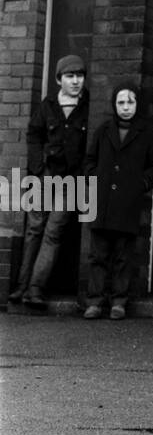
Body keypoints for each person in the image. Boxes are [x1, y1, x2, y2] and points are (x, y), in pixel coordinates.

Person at [10, 54, 91, 312]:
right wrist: (36, 167)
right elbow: (33, 135)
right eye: (69, 76)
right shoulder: (47, 106)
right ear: (59, 79)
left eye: (79, 76)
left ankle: (36, 289)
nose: (75, 81)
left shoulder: (88, 106)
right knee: (34, 228)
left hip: (72, 182)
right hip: (45, 178)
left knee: (53, 232)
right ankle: (21, 287)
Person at [82, 83, 153, 319]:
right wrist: (93, 177)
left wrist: (142, 183)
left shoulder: (147, 135)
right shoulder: (103, 131)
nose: (125, 107)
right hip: (102, 202)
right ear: (114, 105)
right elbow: (89, 160)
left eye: (130, 102)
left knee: (122, 256)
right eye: (120, 103)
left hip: (127, 205)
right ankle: (95, 302)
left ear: (137, 105)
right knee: (98, 256)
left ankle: (119, 301)